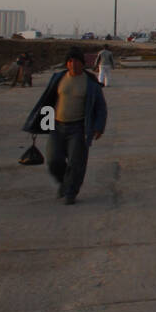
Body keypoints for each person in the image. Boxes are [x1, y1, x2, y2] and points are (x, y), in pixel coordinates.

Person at [21, 48, 107, 205]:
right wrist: (42, 123)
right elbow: (47, 100)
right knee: (53, 160)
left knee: (76, 162)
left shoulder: (91, 83)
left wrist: (98, 127)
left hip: (78, 128)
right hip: (57, 126)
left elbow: (101, 107)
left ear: (82, 63)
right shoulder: (58, 78)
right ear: (67, 63)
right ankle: (64, 183)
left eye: (76, 61)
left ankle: (71, 192)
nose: (73, 64)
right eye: (70, 61)